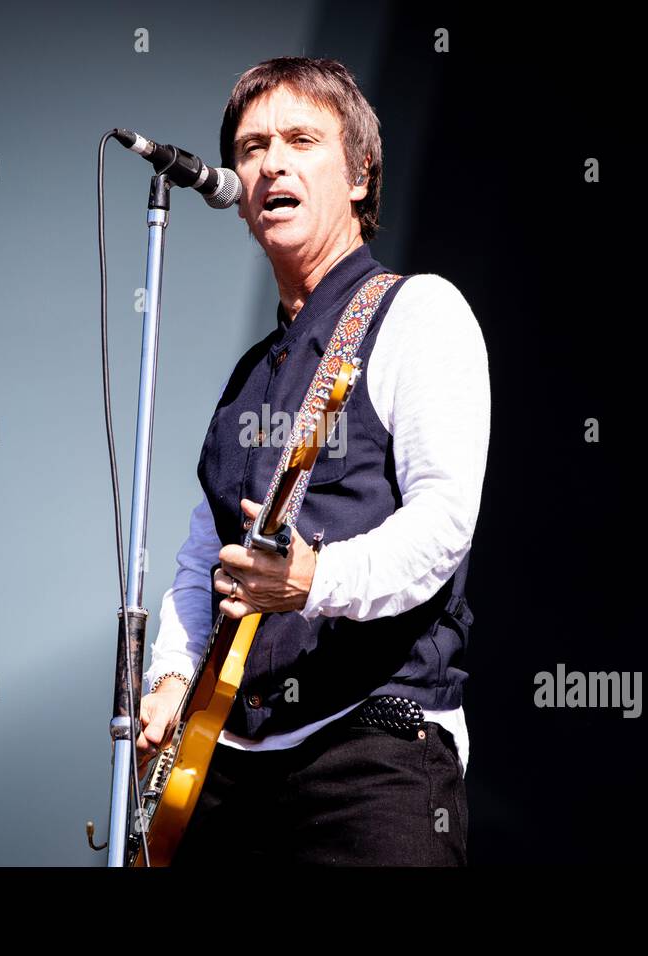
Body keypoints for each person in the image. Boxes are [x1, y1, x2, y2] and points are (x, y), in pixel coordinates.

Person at [137, 56, 490, 865]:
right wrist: (166, 681)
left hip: (374, 751)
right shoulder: (248, 377)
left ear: (361, 175)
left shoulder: (420, 313)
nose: (273, 163)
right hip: (223, 771)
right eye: (254, 147)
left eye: (302, 139)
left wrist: (313, 582)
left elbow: (444, 525)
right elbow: (206, 554)